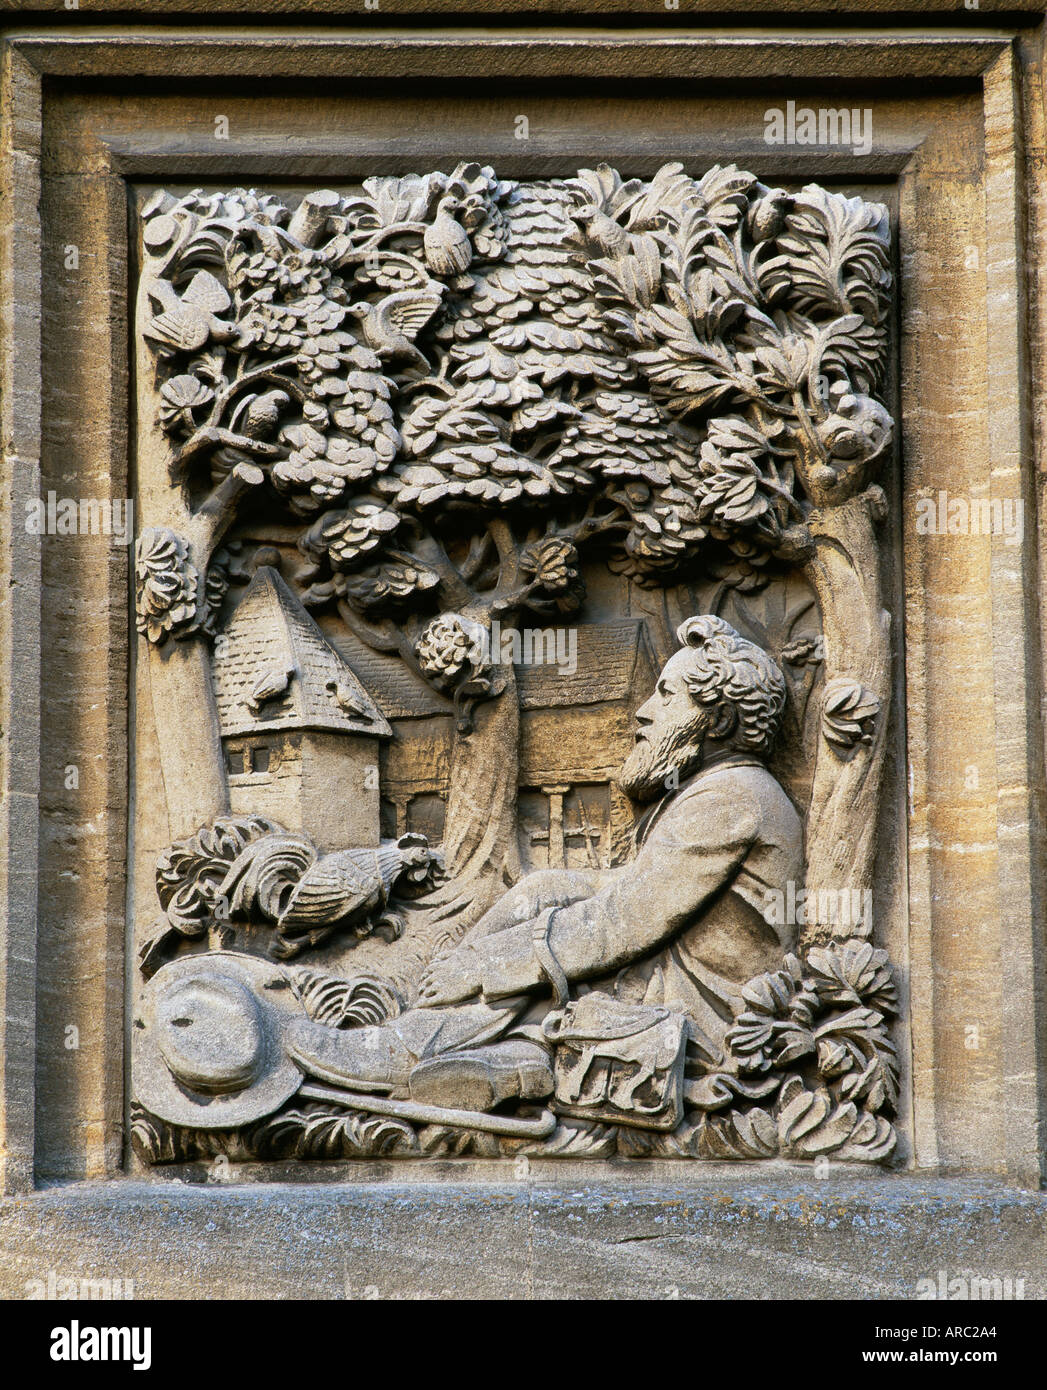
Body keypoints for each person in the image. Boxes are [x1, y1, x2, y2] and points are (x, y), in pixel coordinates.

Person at [287, 614, 804, 1114]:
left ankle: (406, 1050)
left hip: (695, 1015)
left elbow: (621, 924)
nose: (644, 712)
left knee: (528, 973)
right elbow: (624, 890)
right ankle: (488, 1053)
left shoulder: (732, 799)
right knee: (546, 892)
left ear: (719, 720)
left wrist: (484, 967)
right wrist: (546, 893)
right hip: (658, 982)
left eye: (666, 696)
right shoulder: (720, 790)